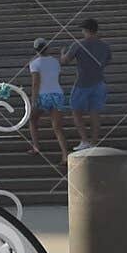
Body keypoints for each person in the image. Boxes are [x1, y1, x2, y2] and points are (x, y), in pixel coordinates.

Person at [63, 18, 113, 150]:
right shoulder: (105, 46)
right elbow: (108, 60)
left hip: (82, 83)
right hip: (99, 82)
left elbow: (65, 61)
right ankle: (94, 142)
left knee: (76, 110)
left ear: (85, 30)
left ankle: (84, 140)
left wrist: (62, 53)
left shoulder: (78, 44)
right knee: (95, 113)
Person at [27, 38, 70, 165]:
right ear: (47, 47)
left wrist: (33, 99)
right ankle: (65, 155)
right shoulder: (55, 62)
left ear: (36, 50)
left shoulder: (35, 63)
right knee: (57, 127)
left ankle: (36, 146)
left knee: (32, 119)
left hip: (42, 95)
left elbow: (35, 83)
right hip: (57, 94)